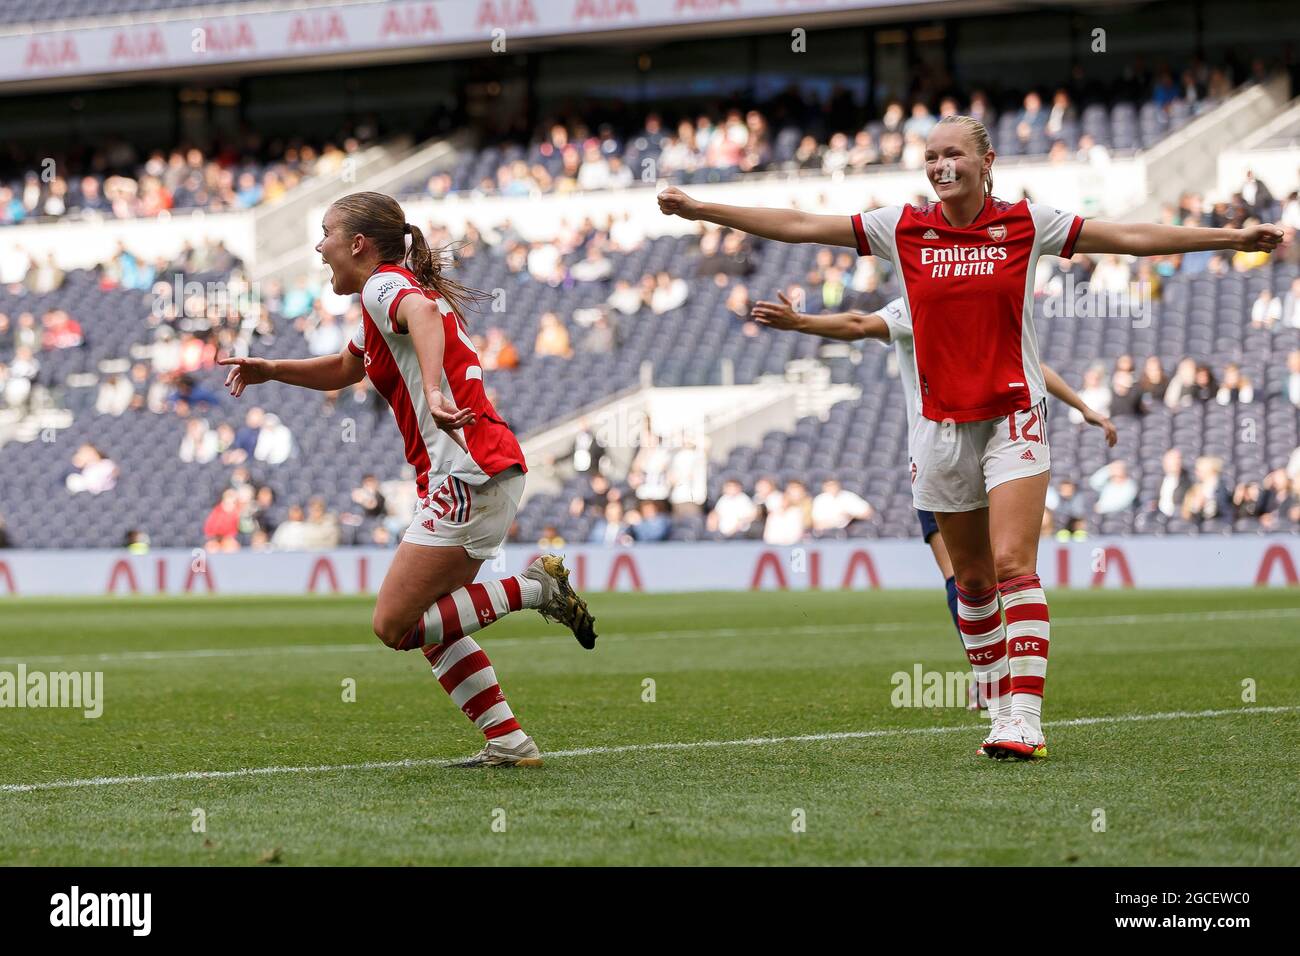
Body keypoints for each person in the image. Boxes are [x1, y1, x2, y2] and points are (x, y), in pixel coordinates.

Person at [661, 113, 1280, 759]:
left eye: (953, 154)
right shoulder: (900, 226)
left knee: (1015, 565)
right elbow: (798, 225)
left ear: (988, 163)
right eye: (930, 156)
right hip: (939, 429)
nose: (939, 165)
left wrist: (1230, 236)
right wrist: (702, 208)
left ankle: (1024, 720)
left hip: (1014, 417)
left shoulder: (1026, 222)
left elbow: (1126, 235)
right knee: (974, 583)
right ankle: (996, 703)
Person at [220, 191, 596, 768]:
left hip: (468, 468)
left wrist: (437, 392)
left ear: (358, 245)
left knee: (395, 624)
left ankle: (535, 589)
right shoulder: (381, 299)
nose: (319, 248)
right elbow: (347, 369)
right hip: (475, 467)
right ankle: (509, 742)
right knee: (429, 620)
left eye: (325, 234)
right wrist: (271, 369)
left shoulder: (383, 287)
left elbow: (420, 314)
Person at [750, 293, 1115, 712]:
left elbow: (1028, 366)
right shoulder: (913, 304)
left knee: (1003, 568)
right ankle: (989, 679)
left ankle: (1008, 691)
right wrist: (802, 323)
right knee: (966, 579)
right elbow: (857, 325)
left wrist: (1083, 406)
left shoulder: (980, 301)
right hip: (939, 460)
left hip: (995, 454)